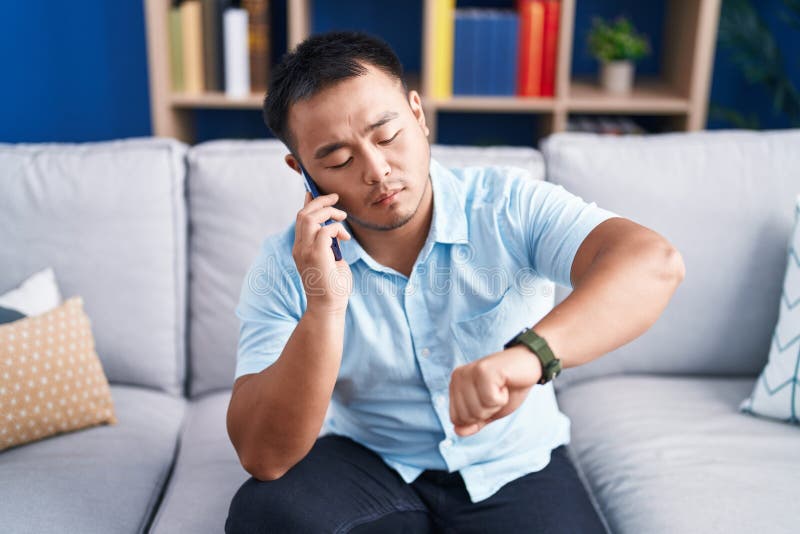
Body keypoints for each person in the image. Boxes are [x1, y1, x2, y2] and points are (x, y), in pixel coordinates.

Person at [224, 31, 685, 533]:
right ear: (304, 172)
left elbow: (653, 262)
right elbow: (263, 456)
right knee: (263, 515)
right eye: (338, 160)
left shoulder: (508, 204)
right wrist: (324, 307)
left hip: (514, 465)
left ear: (417, 114)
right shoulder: (284, 263)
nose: (377, 171)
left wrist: (529, 355)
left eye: (387, 135)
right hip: (369, 464)